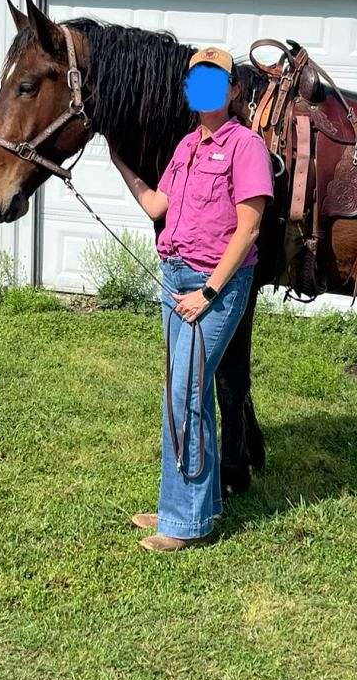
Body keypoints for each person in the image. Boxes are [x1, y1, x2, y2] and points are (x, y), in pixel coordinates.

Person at [110, 46, 273, 551]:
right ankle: (179, 505)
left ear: (231, 90)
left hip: (213, 284)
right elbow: (158, 204)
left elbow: (249, 229)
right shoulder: (184, 148)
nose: (202, 90)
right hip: (173, 275)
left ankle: (184, 524)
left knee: (186, 391)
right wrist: (121, 163)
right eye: (194, 81)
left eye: (213, 80)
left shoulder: (245, 146)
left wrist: (208, 291)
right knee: (180, 392)